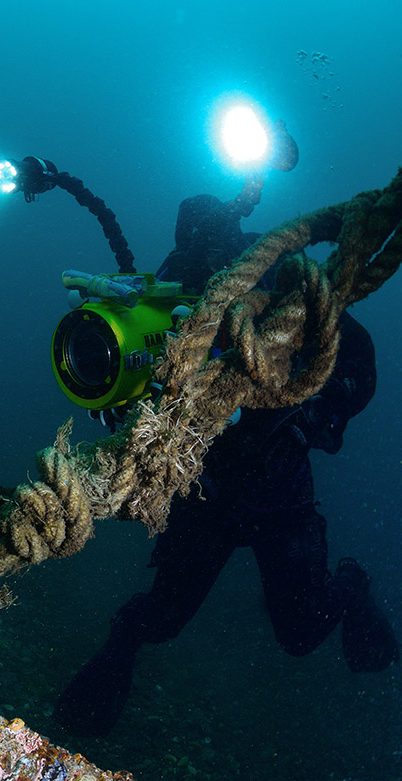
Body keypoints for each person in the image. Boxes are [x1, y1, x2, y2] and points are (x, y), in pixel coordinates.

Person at [53, 193, 400, 737]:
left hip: (280, 481)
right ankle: (115, 656)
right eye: (192, 239)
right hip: (205, 487)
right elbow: (131, 373)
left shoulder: (283, 280)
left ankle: (351, 585)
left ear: (238, 235)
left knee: (302, 632)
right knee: (159, 619)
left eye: (211, 238)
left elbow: (356, 356)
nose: (203, 250)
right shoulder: (167, 291)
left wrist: (316, 416)